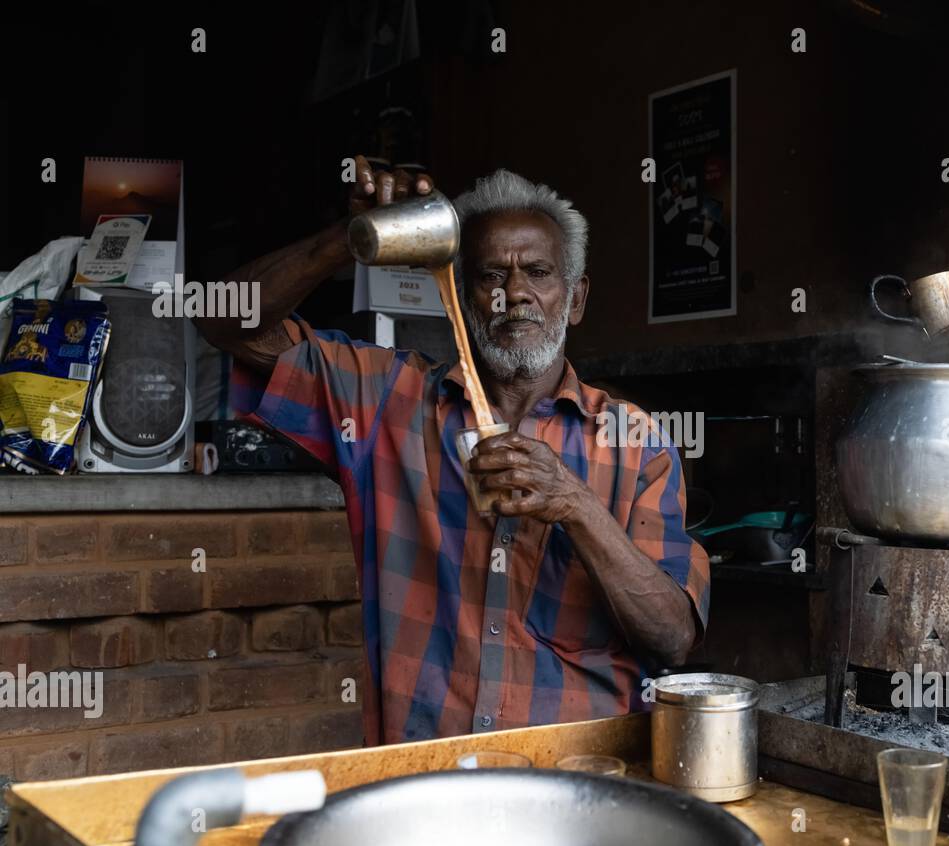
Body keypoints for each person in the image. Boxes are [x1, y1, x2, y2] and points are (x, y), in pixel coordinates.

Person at [194, 159, 709, 745]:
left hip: (580, 785)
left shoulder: (636, 443)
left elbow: (671, 639)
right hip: (427, 782)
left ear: (575, 299)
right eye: (491, 275)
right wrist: (350, 238)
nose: (514, 293)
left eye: (538, 272)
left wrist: (576, 504)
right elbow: (222, 321)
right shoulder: (387, 401)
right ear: (462, 301)